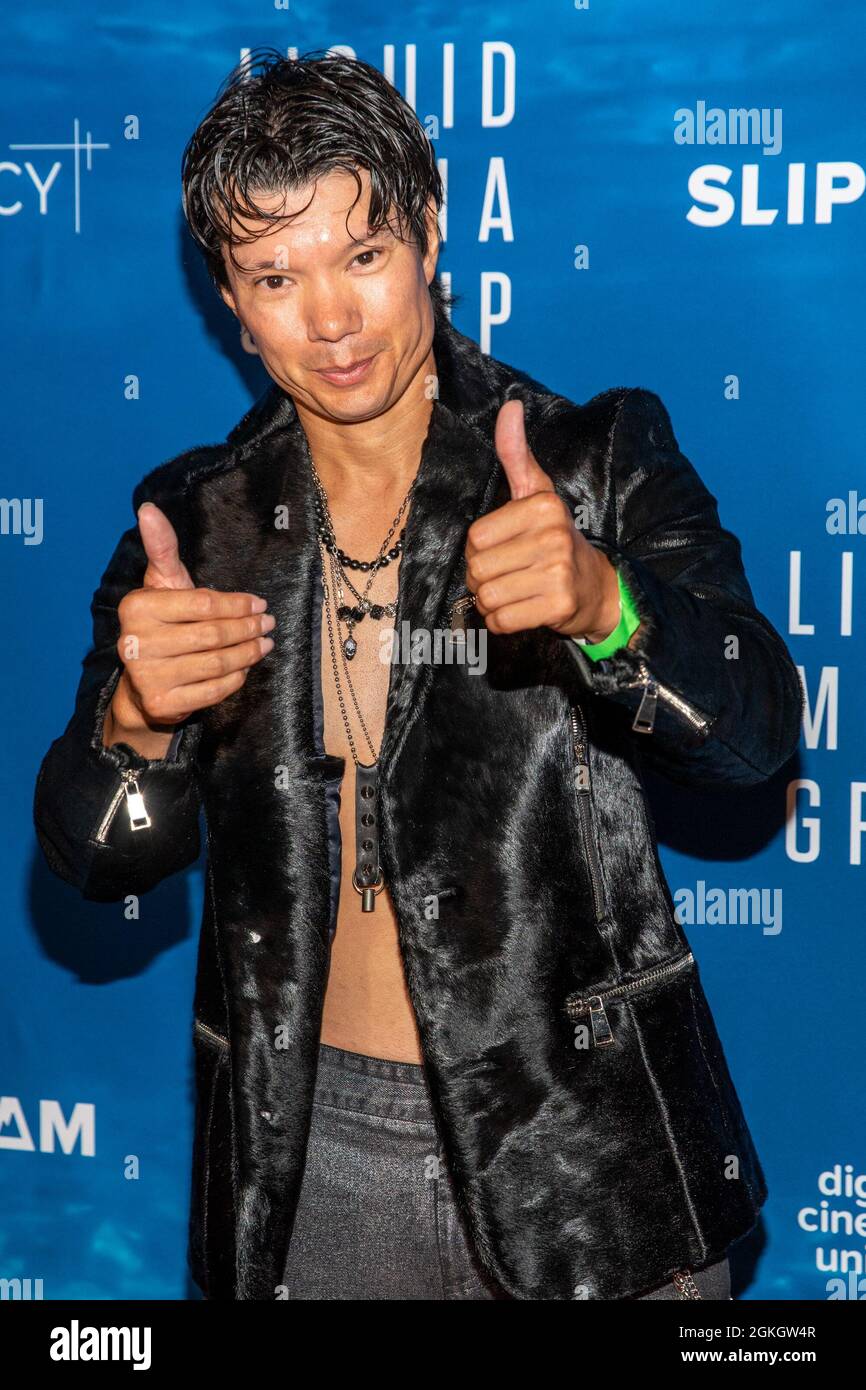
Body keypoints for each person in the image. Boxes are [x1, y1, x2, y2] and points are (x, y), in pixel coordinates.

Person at [33, 48, 803, 1301]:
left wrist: (606, 605)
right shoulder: (193, 527)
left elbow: (761, 726)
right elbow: (94, 855)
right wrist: (134, 725)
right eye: (275, 276)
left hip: (588, 1157)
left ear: (430, 233)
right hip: (305, 1162)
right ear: (230, 300)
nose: (329, 320)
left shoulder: (587, 458)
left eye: (363, 256)